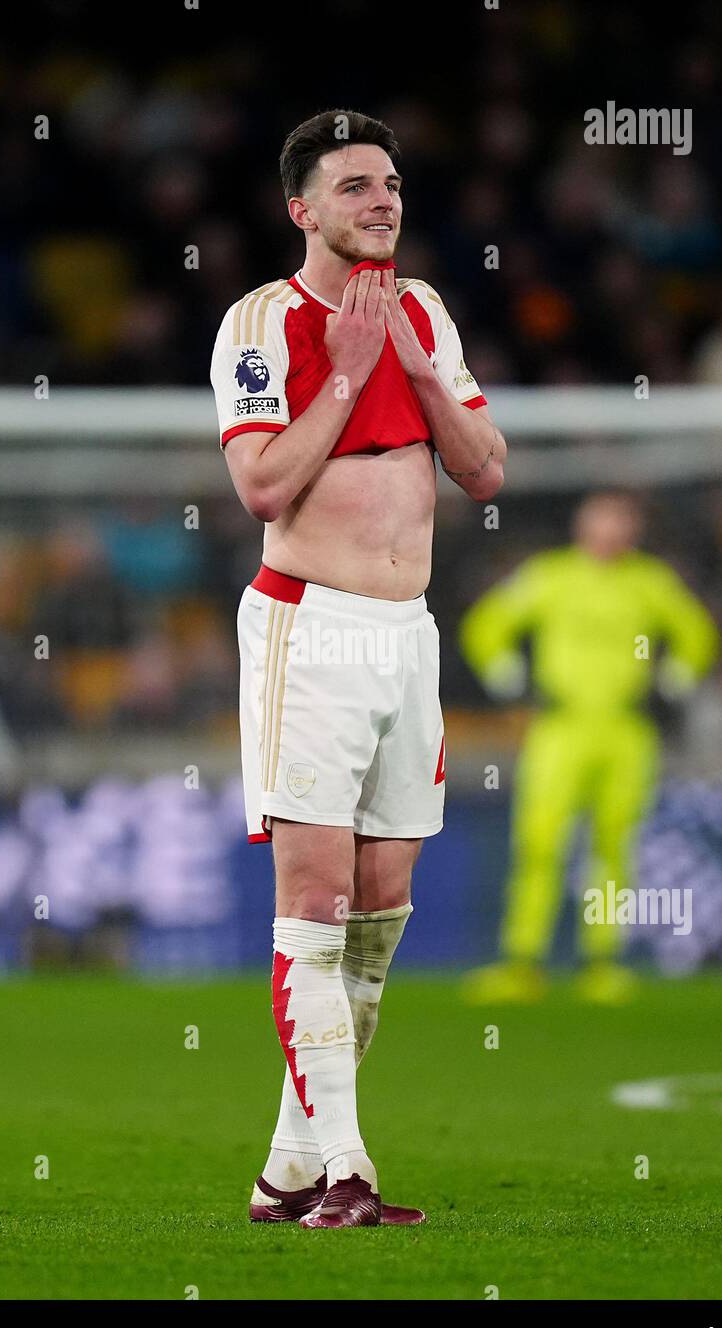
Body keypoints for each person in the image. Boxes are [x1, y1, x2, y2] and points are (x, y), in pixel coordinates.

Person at [209, 109, 505, 1228]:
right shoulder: (258, 325)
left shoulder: (425, 308)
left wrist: (421, 374)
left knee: (382, 911)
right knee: (316, 903)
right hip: (309, 630)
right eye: (355, 187)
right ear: (303, 211)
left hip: (406, 635)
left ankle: (288, 1167)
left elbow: (484, 471)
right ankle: (348, 1168)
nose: (384, 200)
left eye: (390, 183)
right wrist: (343, 374)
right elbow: (263, 489)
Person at [459, 491, 719, 1004]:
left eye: (618, 525)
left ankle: (602, 962)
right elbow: (486, 625)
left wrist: (679, 676)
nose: (608, 535)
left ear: (632, 531)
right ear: (582, 528)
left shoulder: (650, 582)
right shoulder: (550, 575)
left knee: (614, 846)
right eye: (600, 524)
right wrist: (502, 670)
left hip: (626, 730)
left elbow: (697, 634)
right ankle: (523, 961)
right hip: (560, 727)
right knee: (539, 842)